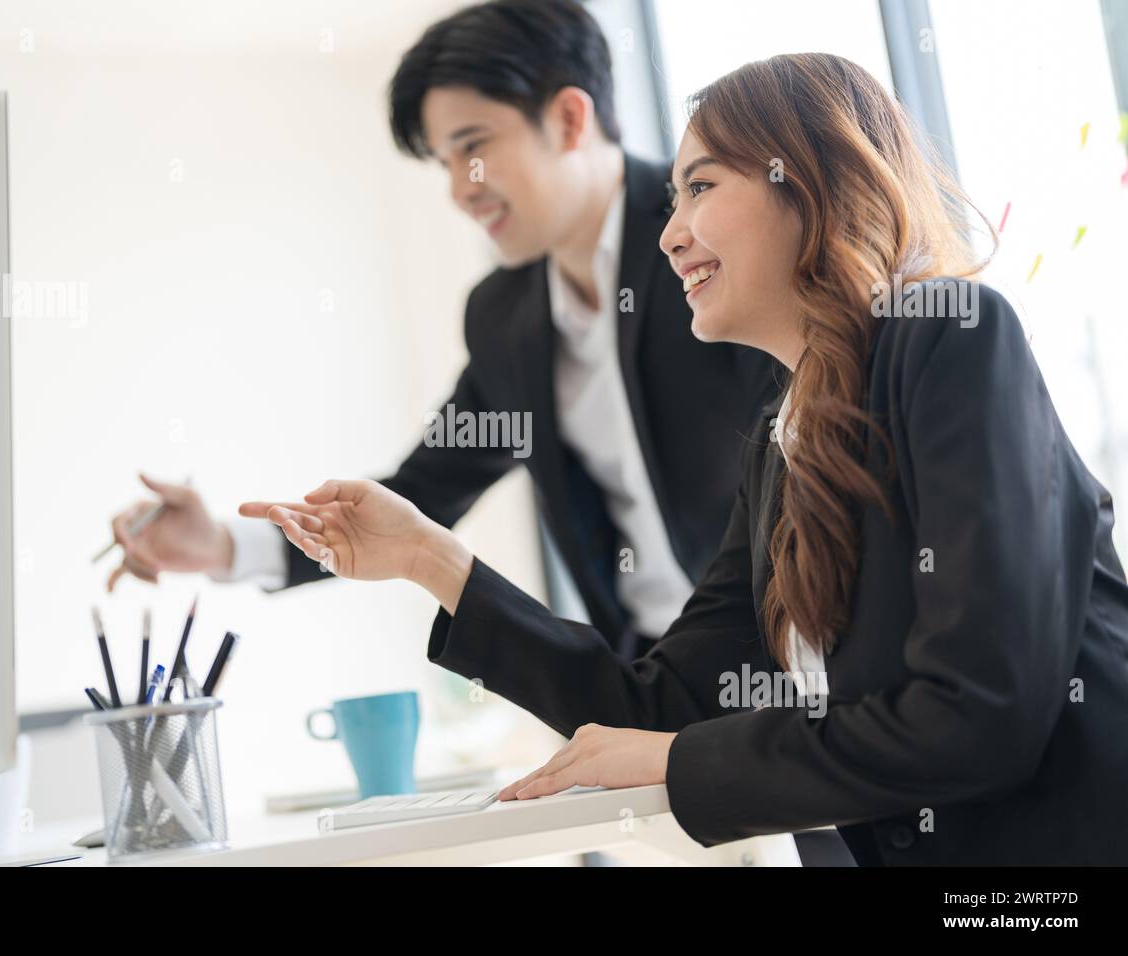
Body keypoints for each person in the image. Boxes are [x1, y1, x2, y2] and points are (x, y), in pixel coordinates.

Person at [242, 53, 1128, 865]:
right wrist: (432, 559)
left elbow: (980, 716)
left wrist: (678, 759)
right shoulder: (784, 448)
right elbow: (657, 710)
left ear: (809, 181)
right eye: (671, 200)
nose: (672, 235)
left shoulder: (950, 341)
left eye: (701, 186)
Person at [106, 0, 777, 663]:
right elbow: (425, 487)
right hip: (660, 678)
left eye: (473, 148)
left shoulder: (712, 228)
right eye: (443, 163)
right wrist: (226, 546)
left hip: (794, 661)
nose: (462, 190)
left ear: (570, 118)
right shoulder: (504, 315)